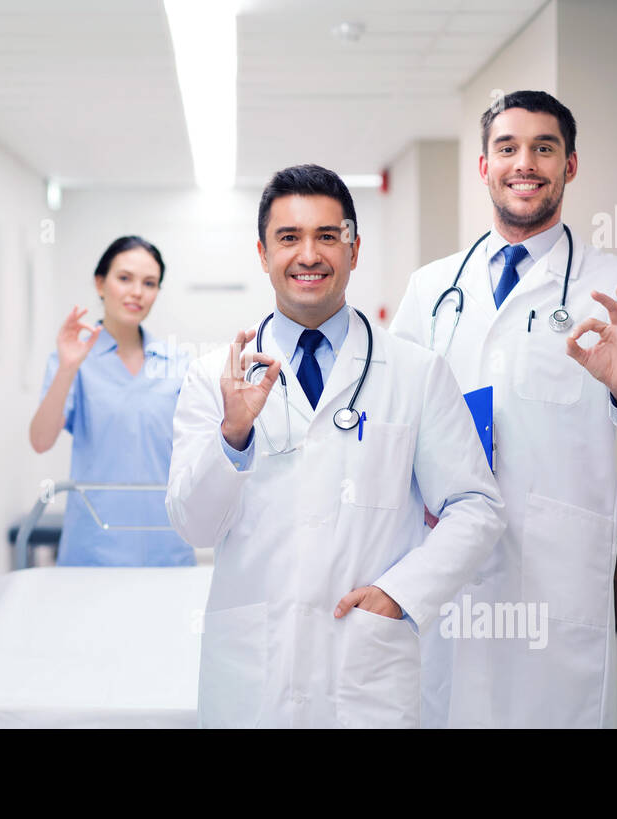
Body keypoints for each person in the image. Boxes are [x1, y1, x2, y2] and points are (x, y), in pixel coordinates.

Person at [389, 90, 617, 728]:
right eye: (507, 148)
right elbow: (397, 423)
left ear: (570, 166)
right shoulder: (432, 287)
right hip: (449, 563)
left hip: (554, 577)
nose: (524, 163)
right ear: (484, 167)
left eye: (543, 148)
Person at [166, 164, 505, 728]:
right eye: (289, 237)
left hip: (365, 667)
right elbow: (194, 527)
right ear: (261, 252)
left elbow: (477, 507)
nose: (309, 254)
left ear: (354, 248)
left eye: (328, 235)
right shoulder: (212, 377)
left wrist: (400, 593)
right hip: (255, 673)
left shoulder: (416, 373)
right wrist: (233, 438)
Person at [30, 236, 194, 566]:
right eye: (124, 278)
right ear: (100, 283)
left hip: (166, 542)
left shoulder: (177, 362)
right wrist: (68, 367)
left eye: (149, 283)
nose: (137, 292)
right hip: (95, 544)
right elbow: (41, 440)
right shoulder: (73, 360)